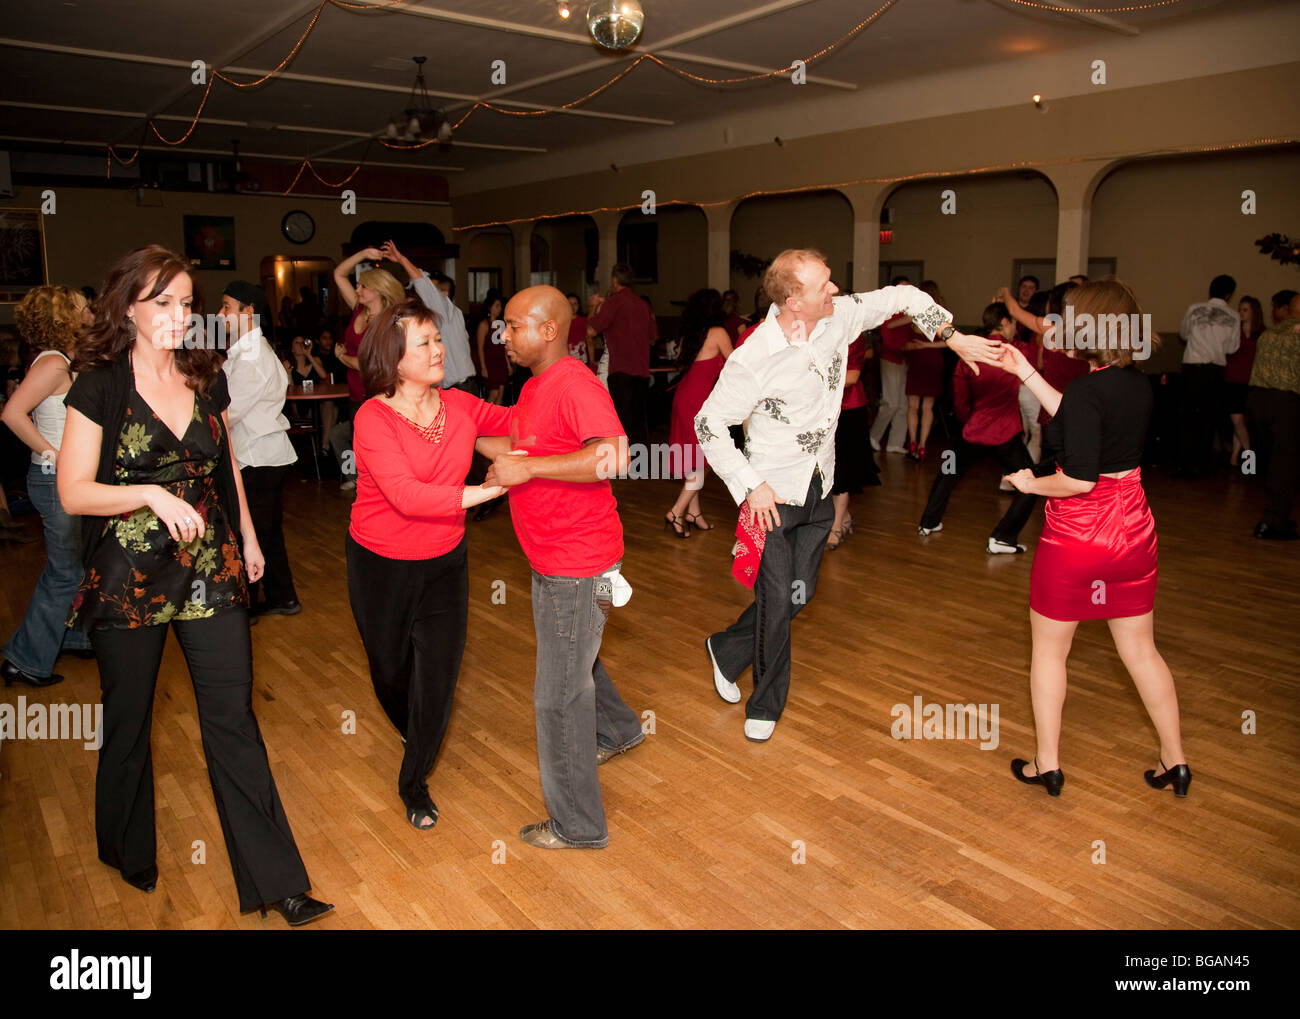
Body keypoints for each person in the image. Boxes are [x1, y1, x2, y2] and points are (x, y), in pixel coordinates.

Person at [58, 244, 331, 924]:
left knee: (233, 716)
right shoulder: (98, 384)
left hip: (210, 564)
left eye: (187, 302)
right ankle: (126, 846)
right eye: (164, 303)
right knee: (130, 717)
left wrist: (248, 531)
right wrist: (150, 492)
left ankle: (278, 882)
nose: (181, 316)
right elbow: (72, 491)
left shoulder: (206, 373)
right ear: (128, 306)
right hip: (129, 573)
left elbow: (226, 460)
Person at [694, 249, 1001, 742]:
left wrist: (952, 335)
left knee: (800, 592)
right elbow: (708, 424)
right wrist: (750, 485)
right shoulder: (755, 357)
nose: (835, 291)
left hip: (819, 485)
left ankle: (726, 648)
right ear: (794, 301)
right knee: (775, 598)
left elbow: (902, 296)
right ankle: (766, 705)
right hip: (769, 498)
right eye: (824, 286)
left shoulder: (839, 319)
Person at [997, 279, 1189, 799]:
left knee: (1050, 651)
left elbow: (1079, 479)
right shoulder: (1134, 382)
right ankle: (1175, 761)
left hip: (1081, 531)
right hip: (1133, 526)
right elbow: (1083, 416)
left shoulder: (1087, 389)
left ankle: (1048, 764)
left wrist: (1028, 483)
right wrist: (1027, 371)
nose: (1058, 324)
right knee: (1141, 651)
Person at [482, 285, 645, 849]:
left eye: (512, 325)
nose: (504, 335)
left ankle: (578, 825)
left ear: (550, 331)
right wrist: (442, 421)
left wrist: (529, 472)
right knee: (577, 655)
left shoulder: (574, 381)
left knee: (558, 695)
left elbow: (614, 454)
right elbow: (514, 444)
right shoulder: (534, 387)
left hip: (576, 563)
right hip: (562, 558)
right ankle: (621, 728)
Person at [345, 298, 509, 829]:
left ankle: (413, 780)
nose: (440, 350)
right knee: (391, 672)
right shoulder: (373, 418)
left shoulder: (460, 405)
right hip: (381, 564)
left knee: (438, 676)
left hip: (445, 561)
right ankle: (411, 728)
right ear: (394, 358)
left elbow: (516, 421)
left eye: (438, 339)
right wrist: (488, 491)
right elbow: (408, 497)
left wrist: (565, 400)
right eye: (425, 343)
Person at [1, 285, 96, 686]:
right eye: (82, 307)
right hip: (53, 478)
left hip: (60, 478)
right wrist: (53, 453)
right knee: (64, 572)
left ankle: (71, 635)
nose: (89, 310)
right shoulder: (54, 363)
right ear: (65, 318)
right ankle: (24, 659)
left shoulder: (60, 360)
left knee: (74, 566)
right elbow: (12, 413)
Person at [916, 303, 1038, 554]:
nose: (1015, 327)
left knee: (948, 473)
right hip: (1005, 434)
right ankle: (1003, 538)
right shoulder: (1017, 350)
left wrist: (966, 420)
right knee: (1031, 483)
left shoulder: (969, 352)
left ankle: (928, 523)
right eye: (1013, 322)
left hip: (974, 431)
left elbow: (960, 396)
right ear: (1005, 322)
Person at [219, 281, 300, 618]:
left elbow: (228, 411)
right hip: (260, 454)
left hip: (258, 456)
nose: (221, 314)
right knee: (266, 531)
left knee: (250, 531)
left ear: (248, 311)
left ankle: (248, 604)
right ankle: (283, 597)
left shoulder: (252, 357)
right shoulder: (245, 352)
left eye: (226, 307)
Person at [328, 248, 405, 491]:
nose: (358, 290)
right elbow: (339, 274)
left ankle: (385, 490)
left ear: (378, 290)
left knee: (377, 449)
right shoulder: (358, 309)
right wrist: (362, 255)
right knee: (358, 446)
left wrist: (342, 358)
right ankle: (368, 488)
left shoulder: (387, 321)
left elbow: (367, 363)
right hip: (355, 392)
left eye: (363, 286)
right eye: (358, 285)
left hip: (378, 393)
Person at [665, 288, 732, 537]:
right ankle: (676, 510)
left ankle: (694, 514)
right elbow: (735, 366)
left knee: (694, 459)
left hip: (684, 398)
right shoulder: (718, 333)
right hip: (699, 403)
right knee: (704, 462)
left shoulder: (688, 335)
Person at [376, 242, 476, 394]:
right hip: (454, 386)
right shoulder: (439, 318)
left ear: (444, 294)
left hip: (459, 387)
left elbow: (422, 282)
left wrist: (401, 259)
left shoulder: (445, 310)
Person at [586, 263, 657, 451]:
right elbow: (652, 337)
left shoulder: (614, 303)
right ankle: (641, 465)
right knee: (639, 419)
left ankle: (621, 463)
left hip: (621, 368)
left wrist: (593, 307)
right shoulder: (642, 305)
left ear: (615, 280)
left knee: (621, 419)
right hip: (641, 369)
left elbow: (591, 330)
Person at [1246, 293, 1300, 539]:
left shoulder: (1268, 335)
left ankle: (1274, 516)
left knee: (1274, 462)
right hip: (1286, 402)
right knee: (1284, 464)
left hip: (1258, 400)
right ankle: (1272, 522)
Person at [1177, 274, 1239, 478]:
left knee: (1188, 417)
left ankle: (1184, 464)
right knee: (1208, 418)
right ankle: (1202, 465)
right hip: (1215, 371)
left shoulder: (1194, 309)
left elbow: (1184, 334)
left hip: (1193, 368)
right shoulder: (1234, 316)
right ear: (1229, 294)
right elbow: (1233, 347)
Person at [826, 332, 879, 550]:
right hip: (825, 409)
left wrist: (816, 377)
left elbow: (852, 377)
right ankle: (844, 517)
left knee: (843, 472)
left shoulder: (854, 339)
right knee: (828, 472)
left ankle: (836, 527)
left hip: (849, 410)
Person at [901, 279, 947, 461]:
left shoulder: (913, 316)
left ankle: (912, 441)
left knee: (912, 406)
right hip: (934, 361)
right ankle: (922, 445)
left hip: (917, 360)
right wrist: (929, 346)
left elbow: (891, 327)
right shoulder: (940, 316)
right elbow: (949, 342)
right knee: (928, 406)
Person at [868, 276, 911, 454]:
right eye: (901, 288)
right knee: (891, 402)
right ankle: (873, 436)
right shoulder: (889, 310)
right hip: (891, 358)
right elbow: (886, 337)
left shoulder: (908, 310)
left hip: (905, 359)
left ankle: (895, 443)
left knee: (903, 404)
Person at [1226, 296, 1265, 468]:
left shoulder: (1262, 333)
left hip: (1251, 382)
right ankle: (1250, 458)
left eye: (1245, 310)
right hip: (1232, 380)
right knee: (1237, 421)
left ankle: (1235, 457)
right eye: (1239, 309)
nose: (1240, 313)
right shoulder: (1234, 331)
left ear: (1254, 312)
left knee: (1241, 422)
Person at [474, 290, 509, 404]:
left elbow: (503, 346)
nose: (499, 309)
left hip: (501, 362)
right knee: (494, 393)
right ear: (490, 307)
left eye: (500, 306)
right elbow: (480, 348)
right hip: (490, 363)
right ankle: (486, 419)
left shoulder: (500, 325)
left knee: (501, 394)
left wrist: (508, 364)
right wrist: (483, 367)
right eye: (497, 306)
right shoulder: (484, 325)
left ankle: (498, 420)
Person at [565, 292, 589, 363]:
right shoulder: (560, 322)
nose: (572, 307)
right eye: (569, 304)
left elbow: (589, 341)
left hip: (581, 359)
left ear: (579, 305)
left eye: (575, 304)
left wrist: (592, 361)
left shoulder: (584, 321)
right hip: (565, 360)